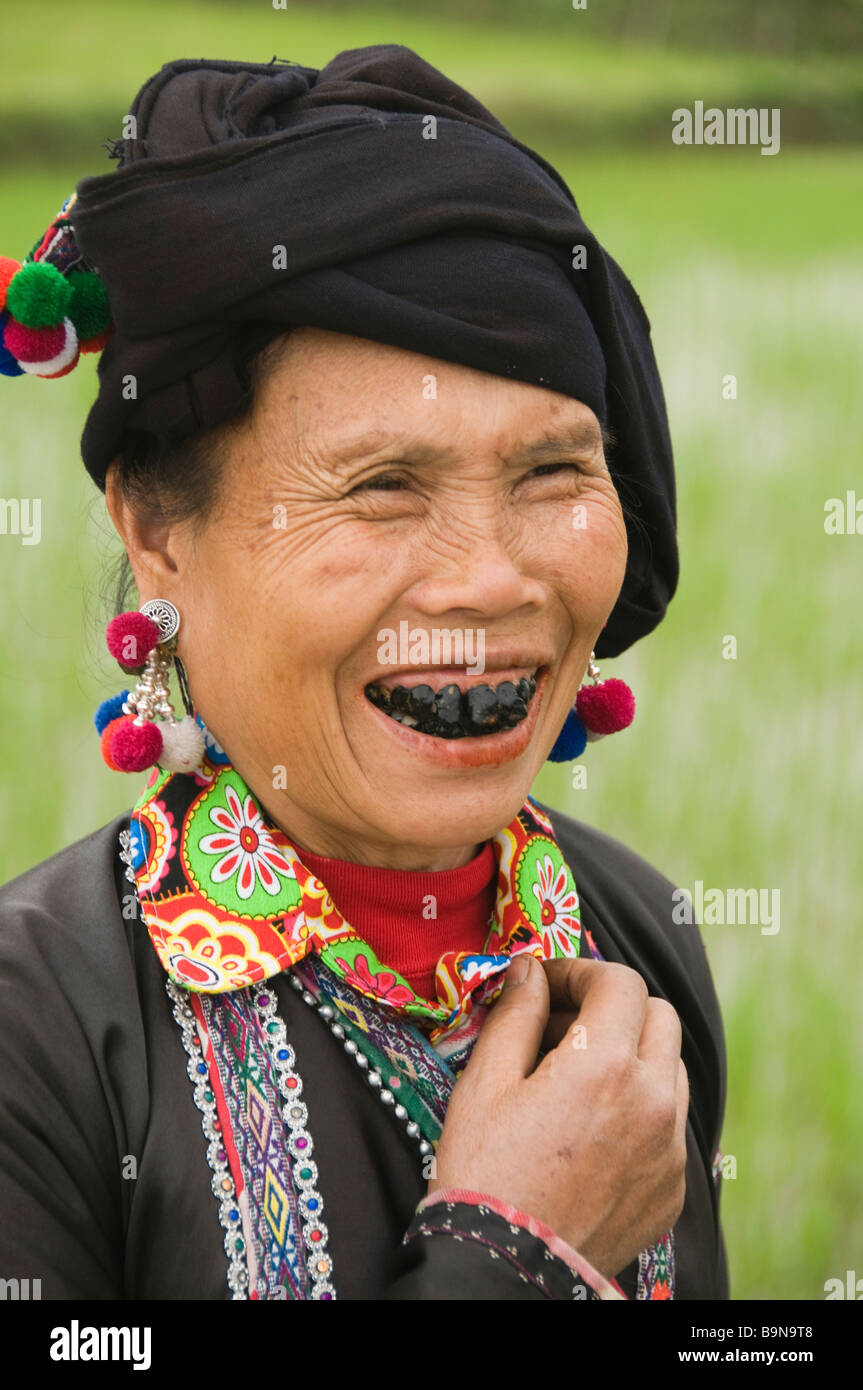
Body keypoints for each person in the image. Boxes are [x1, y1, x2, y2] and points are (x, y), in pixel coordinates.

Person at [0, 45, 727, 1301]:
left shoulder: (636, 936)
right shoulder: (37, 1033)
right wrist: (508, 1254)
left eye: (554, 472)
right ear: (156, 534)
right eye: (383, 487)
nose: (490, 581)